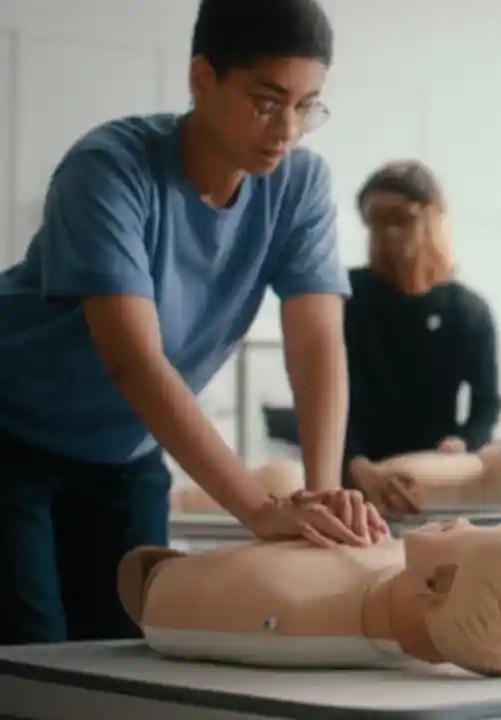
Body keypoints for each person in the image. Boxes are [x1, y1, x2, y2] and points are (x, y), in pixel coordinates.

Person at [0, 0, 385, 647]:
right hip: (12, 435)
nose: (286, 129)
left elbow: (317, 344)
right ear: (202, 79)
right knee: (30, 655)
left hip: (124, 455)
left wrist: (323, 499)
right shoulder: (109, 169)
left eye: (306, 105)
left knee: (131, 654)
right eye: (267, 101)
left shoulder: (300, 185)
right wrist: (260, 510)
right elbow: (135, 361)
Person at [342, 159, 500, 483]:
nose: (388, 233)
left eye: (401, 220)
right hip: (355, 471)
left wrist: (465, 442)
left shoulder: (467, 311)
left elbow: (486, 403)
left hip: (431, 473)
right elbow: (324, 395)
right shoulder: (346, 298)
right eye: (376, 221)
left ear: (431, 220)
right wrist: (356, 464)